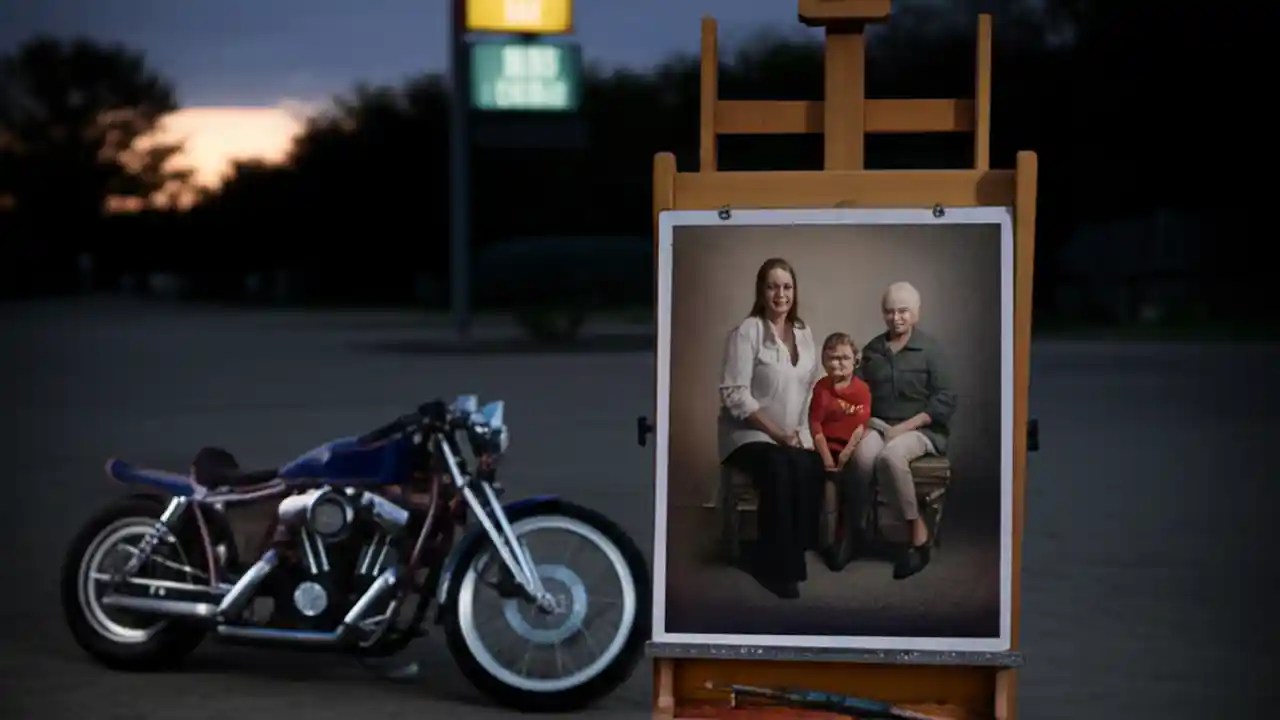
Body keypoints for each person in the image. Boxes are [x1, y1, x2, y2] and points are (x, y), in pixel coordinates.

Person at [718, 257, 825, 599]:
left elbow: (813, 386)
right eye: (773, 286)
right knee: (779, 465)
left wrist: (802, 435)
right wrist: (777, 433)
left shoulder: (804, 333)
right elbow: (735, 393)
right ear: (761, 291)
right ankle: (777, 569)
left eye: (787, 286)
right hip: (748, 434)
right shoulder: (747, 330)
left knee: (810, 463)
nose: (781, 294)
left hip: (790, 431)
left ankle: (788, 547)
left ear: (795, 291)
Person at [848, 281, 957, 580]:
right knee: (860, 458)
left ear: (916, 314)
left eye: (903, 311)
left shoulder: (931, 350)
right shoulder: (872, 350)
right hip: (879, 425)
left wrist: (905, 427)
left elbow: (946, 398)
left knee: (891, 457)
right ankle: (857, 531)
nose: (896, 318)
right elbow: (856, 393)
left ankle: (917, 535)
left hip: (920, 429)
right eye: (890, 311)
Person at [806, 332, 872, 571]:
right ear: (824, 361)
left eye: (844, 358)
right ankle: (828, 540)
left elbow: (860, 426)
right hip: (827, 447)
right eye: (832, 358)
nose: (838, 363)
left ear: (855, 360)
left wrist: (846, 454)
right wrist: (827, 458)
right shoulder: (822, 388)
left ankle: (849, 535)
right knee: (829, 485)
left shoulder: (862, 389)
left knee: (853, 480)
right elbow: (815, 424)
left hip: (851, 447)